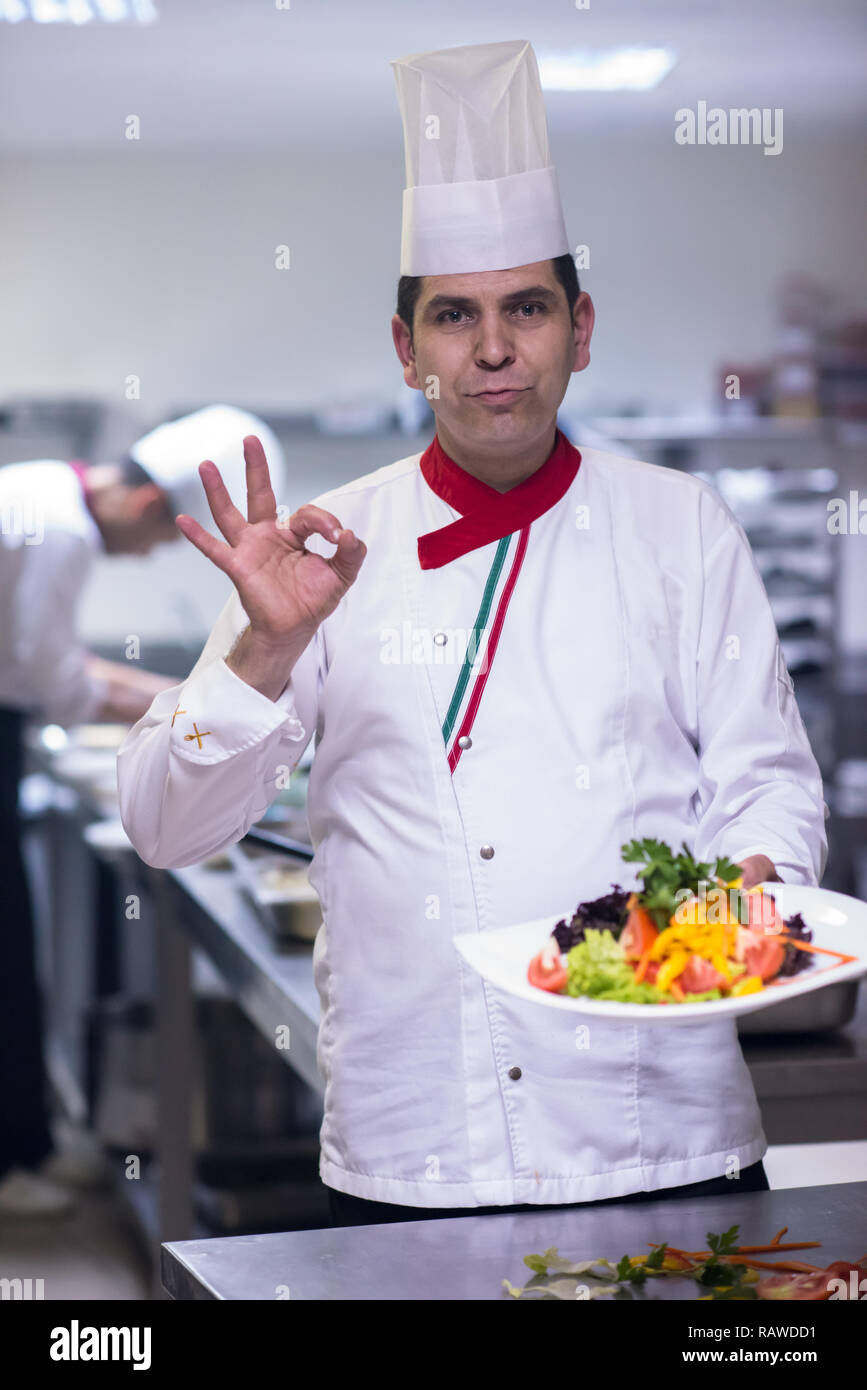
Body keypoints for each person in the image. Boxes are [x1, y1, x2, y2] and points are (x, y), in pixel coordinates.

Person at [116, 41, 828, 1229]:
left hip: (665, 1132)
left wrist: (720, 912)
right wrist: (263, 653)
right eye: (455, 316)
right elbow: (162, 826)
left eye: (526, 309)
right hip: (417, 1149)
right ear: (407, 350)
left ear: (579, 328)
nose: (493, 350)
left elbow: (773, 792)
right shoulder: (325, 544)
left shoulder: (681, 526)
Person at [0, 403, 282, 1217]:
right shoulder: (59, 530)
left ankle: (26, 1146)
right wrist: (193, 703)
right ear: (152, 506)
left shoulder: (44, 496)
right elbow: (61, 687)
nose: (152, 553)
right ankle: (14, 1162)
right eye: (165, 540)